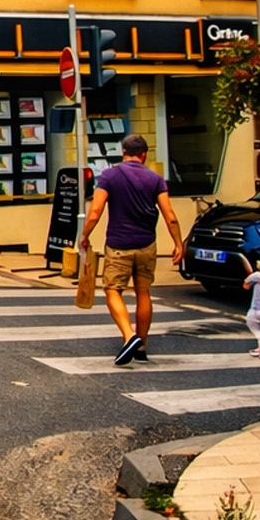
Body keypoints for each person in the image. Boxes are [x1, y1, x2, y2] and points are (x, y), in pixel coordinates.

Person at [78, 133, 184, 366]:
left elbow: (95, 211)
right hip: (147, 245)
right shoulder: (156, 179)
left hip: (118, 245)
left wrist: (84, 236)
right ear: (144, 155)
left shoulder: (109, 176)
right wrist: (178, 243)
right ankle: (142, 347)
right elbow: (170, 217)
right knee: (143, 292)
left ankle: (129, 335)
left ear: (123, 152)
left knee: (112, 290)